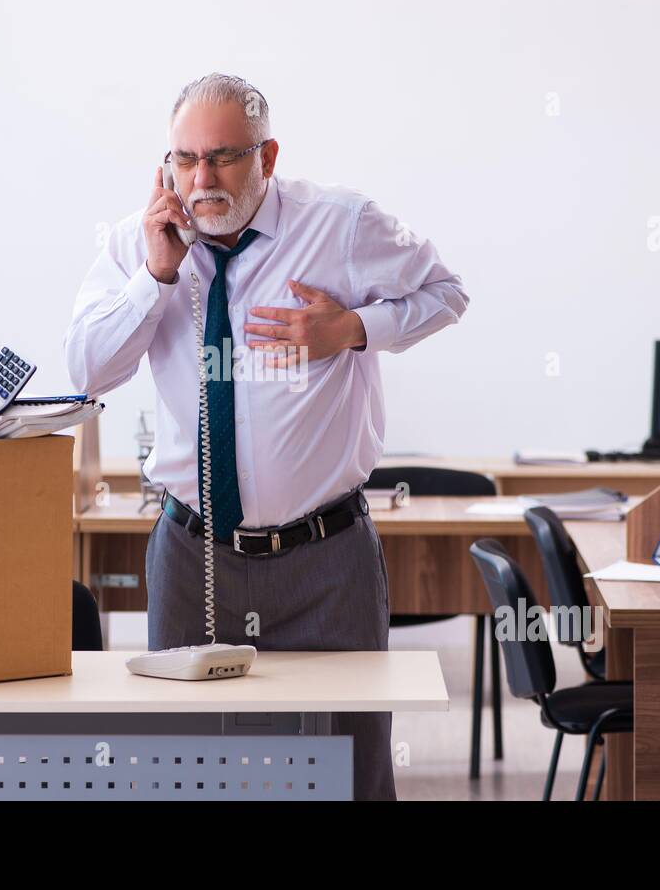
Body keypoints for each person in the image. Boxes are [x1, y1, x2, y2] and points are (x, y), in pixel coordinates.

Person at [65, 72, 468, 800]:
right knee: (191, 778)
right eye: (183, 160)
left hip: (326, 559)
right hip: (193, 559)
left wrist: (352, 329)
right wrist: (154, 279)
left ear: (268, 156)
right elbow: (87, 370)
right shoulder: (139, 241)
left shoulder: (341, 225)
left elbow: (446, 293)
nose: (200, 180)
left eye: (222, 157)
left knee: (349, 776)